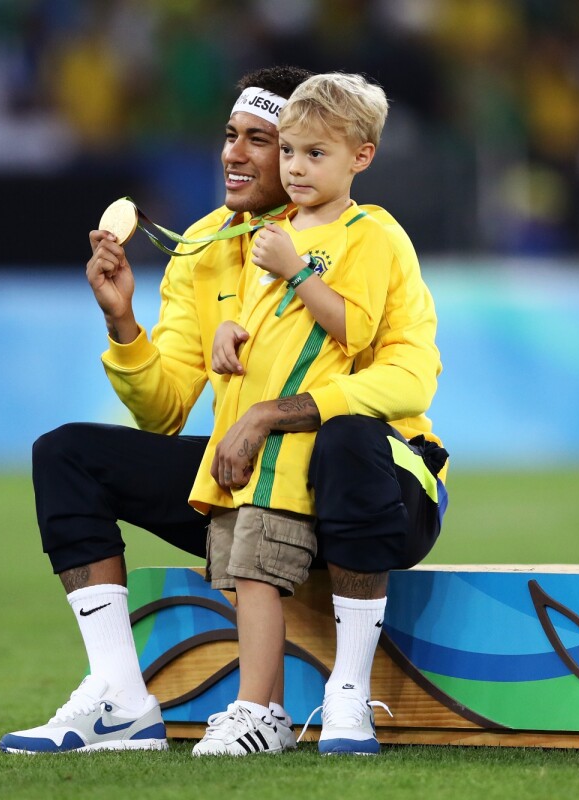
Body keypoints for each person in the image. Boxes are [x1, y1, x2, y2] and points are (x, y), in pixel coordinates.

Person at [0, 65, 448, 757]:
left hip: (384, 485)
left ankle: (344, 695)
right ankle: (120, 698)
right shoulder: (205, 246)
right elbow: (164, 412)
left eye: (261, 140)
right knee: (67, 455)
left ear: (333, 151)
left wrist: (272, 413)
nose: (235, 154)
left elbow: (410, 379)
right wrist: (123, 324)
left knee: (346, 439)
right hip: (259, 474)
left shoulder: (369, 238)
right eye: (232, 135)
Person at [189, 73, 396, 757]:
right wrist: (228, 333)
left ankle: (256, 709)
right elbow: (263, 317)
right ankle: (265, 710)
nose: (296, 168)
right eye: (289, 153)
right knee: (237, 573)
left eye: (315, 154)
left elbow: (356, 331)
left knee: (257, 572)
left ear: (360, 157)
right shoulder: (271, 233)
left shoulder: (364, 236)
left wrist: (300, 271)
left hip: (292, 448)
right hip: (245, 446)